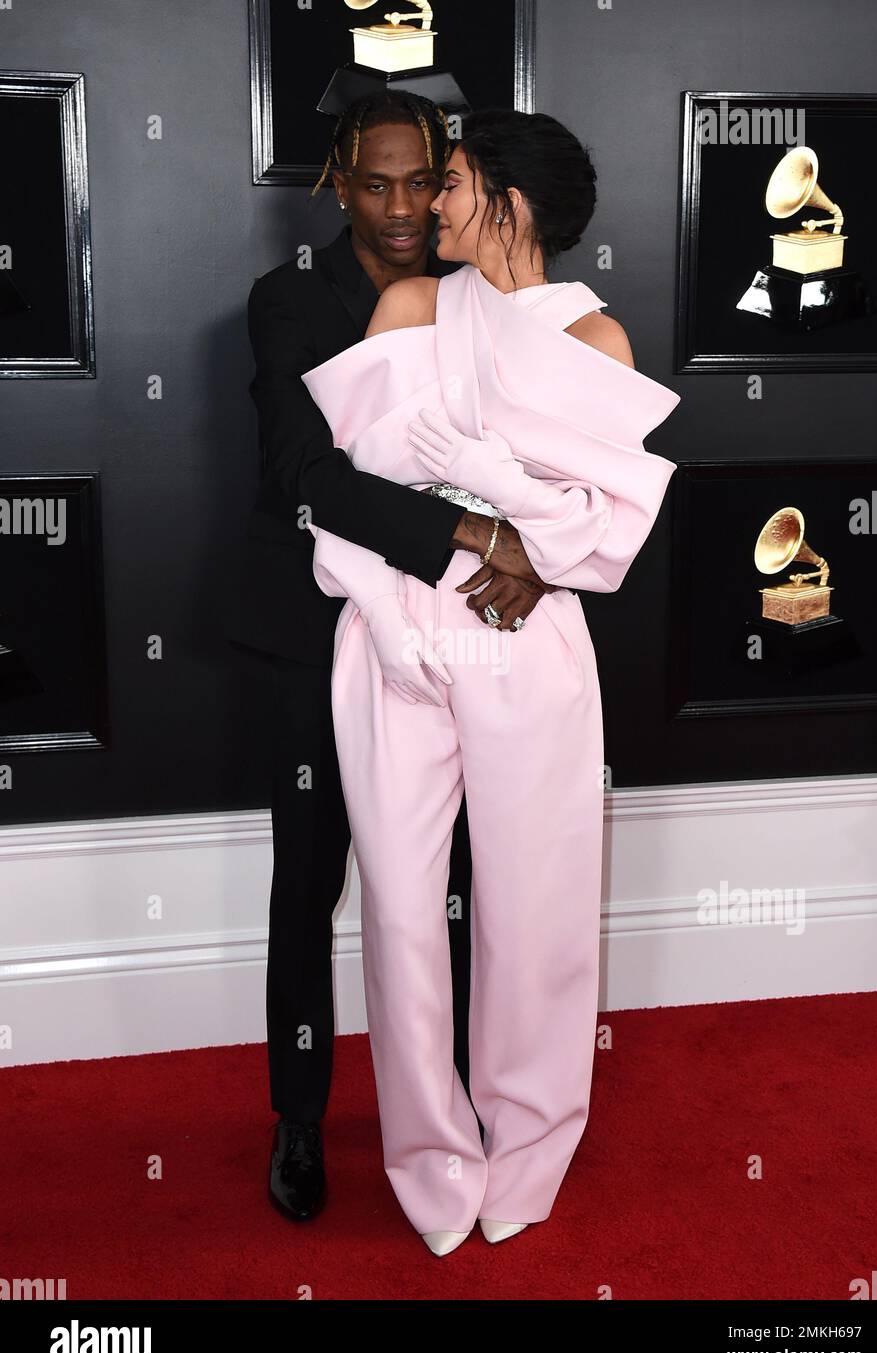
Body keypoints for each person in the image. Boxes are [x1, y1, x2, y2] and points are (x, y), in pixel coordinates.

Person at [299, 109, 681, 1255]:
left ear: (507, 200)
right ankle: (429, 1164)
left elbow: (602, 535)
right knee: (406, 915)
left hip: (528, 648)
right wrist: (404, 593)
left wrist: (520, 536)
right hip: (391, 641)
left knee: (536, 911)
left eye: (453, 181)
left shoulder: (596, 341)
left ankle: (528, 1151)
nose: (429, 205)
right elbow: (349, 495)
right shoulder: (411, 307)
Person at [221, 91, 557, 1221]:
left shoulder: (476, 295)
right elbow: (303, 476)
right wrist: (472, 532)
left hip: (462, 641)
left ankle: (453, 1112)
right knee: (310, 886)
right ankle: (302, 1119)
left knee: (458, 893)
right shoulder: (289, 302)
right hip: (314, 641)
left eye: (426, 182)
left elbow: (542, 453)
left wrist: (540, 551)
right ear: (337, 178)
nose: (405, 206)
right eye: (379, 182)